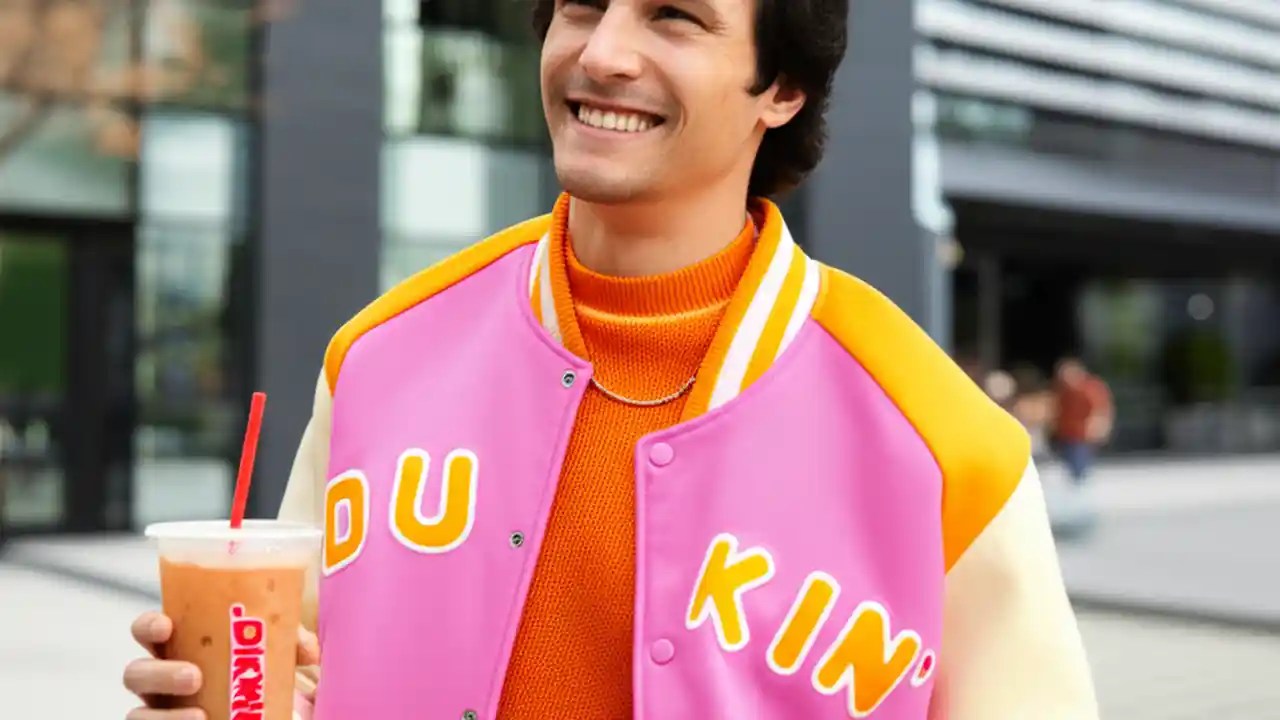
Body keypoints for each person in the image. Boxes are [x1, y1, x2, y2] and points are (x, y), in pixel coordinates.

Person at [123, 1, 1098, 718]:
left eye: (673, 17)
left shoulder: (946, 447)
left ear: (781, 88)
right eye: (582, 6)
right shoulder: (378, 358)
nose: (601, 53)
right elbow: (278, 678)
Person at [1052, 357, 1114, 487]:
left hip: (1082, 437)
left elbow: (1100, 410)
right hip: (1066, 435)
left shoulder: (1091, 389)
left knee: (1079, 467)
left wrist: (1098, 428)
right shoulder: (1063, 391)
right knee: (1069, 467)